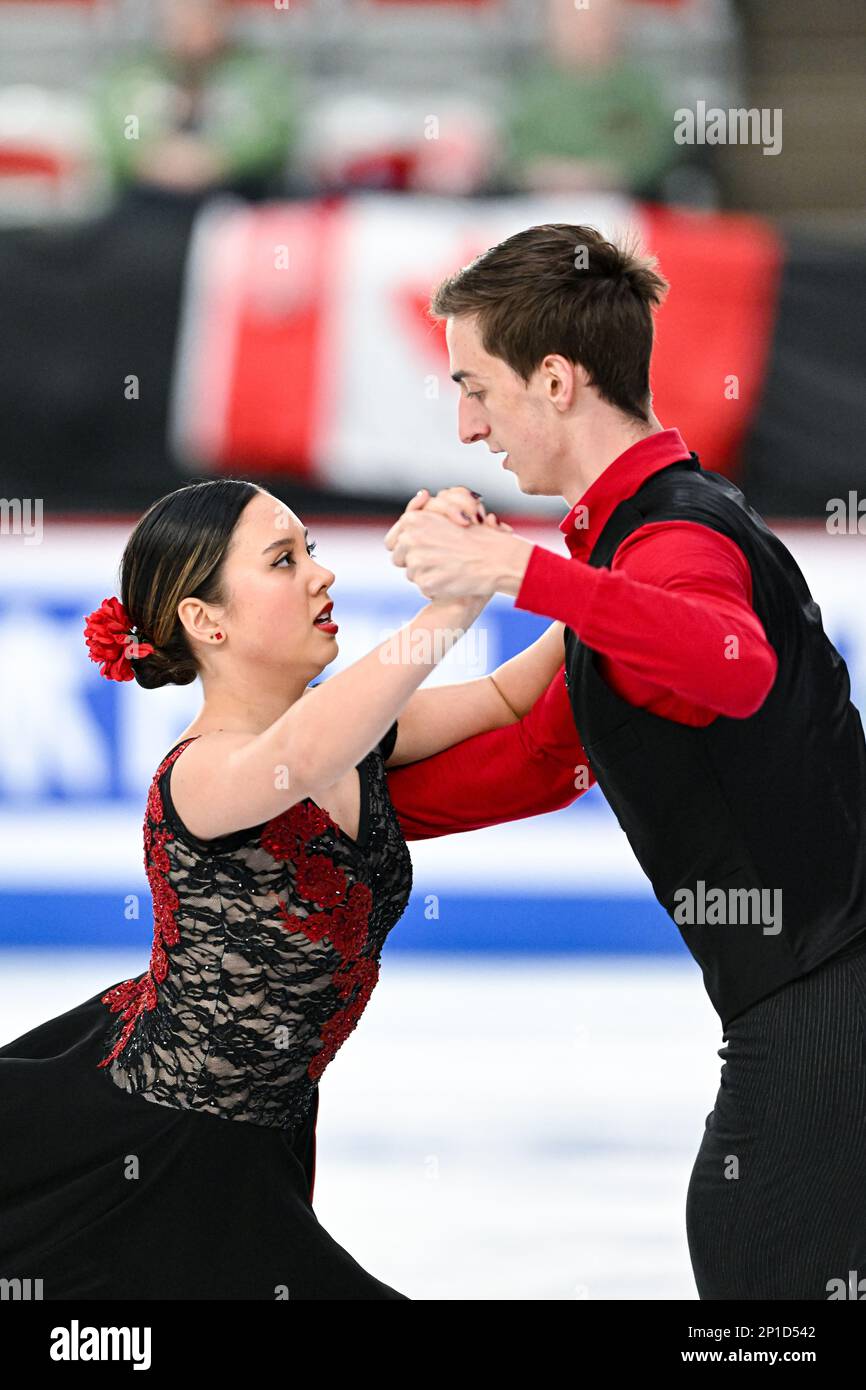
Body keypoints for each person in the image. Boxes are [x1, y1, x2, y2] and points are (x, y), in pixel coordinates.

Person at [385, 222, 866, 1300]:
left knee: (758, 1272)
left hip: (829, 1001)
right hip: (808, 1001)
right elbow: (538, 755)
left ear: (553, 379)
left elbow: (730, 665)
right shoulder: (622, 546)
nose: (466, 426)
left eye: (475, 388)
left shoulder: (674, 540)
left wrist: (514, 568)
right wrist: (318, 812)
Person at [0, 478, 590, 1301]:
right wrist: (458, 597)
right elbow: (302, 758)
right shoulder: (204, 772)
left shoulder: (356, 738)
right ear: (208, 622)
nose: (322, 575)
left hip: (255, 1154)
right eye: (284, 560)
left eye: (310, 549)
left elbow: (508, 698)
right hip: (151, 1147)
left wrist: (601, 584)